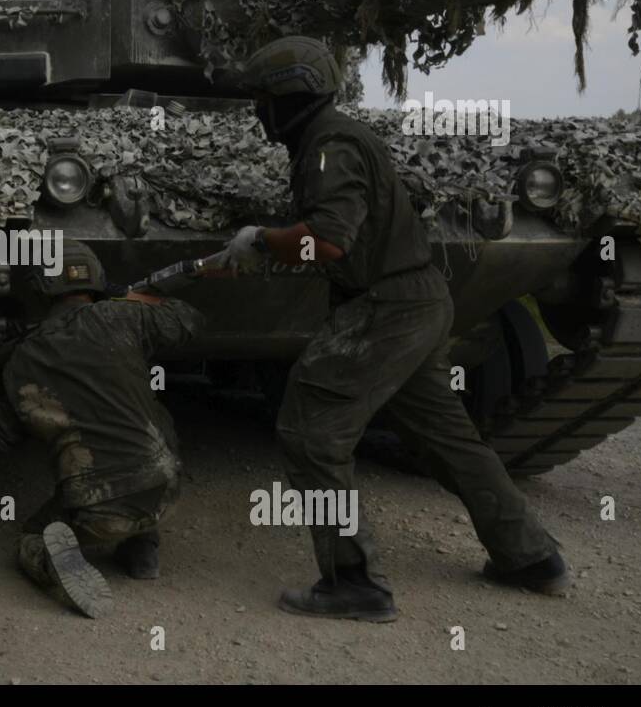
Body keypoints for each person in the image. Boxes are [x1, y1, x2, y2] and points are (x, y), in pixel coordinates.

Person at [223, 35, 568, 622]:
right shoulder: (333, 136)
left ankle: (355, 584)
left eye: (262, 97)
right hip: (422, 299)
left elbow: (329, 239)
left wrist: (263, 241)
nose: (257, 109)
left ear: (291, 97)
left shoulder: (329, 145)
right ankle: (531, 557)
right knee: (447, 439)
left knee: (312, 428)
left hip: (388, 308)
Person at [0, 240, 204, 618]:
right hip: (167, 489)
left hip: (95, 503)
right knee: (153, 418)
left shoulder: (22, 357)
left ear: (41, 286)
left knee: (33, 534)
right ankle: (142, 551)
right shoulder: (121, 317)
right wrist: (137, 299)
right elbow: (189, 320)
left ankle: (55, 560)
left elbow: (4, 438)